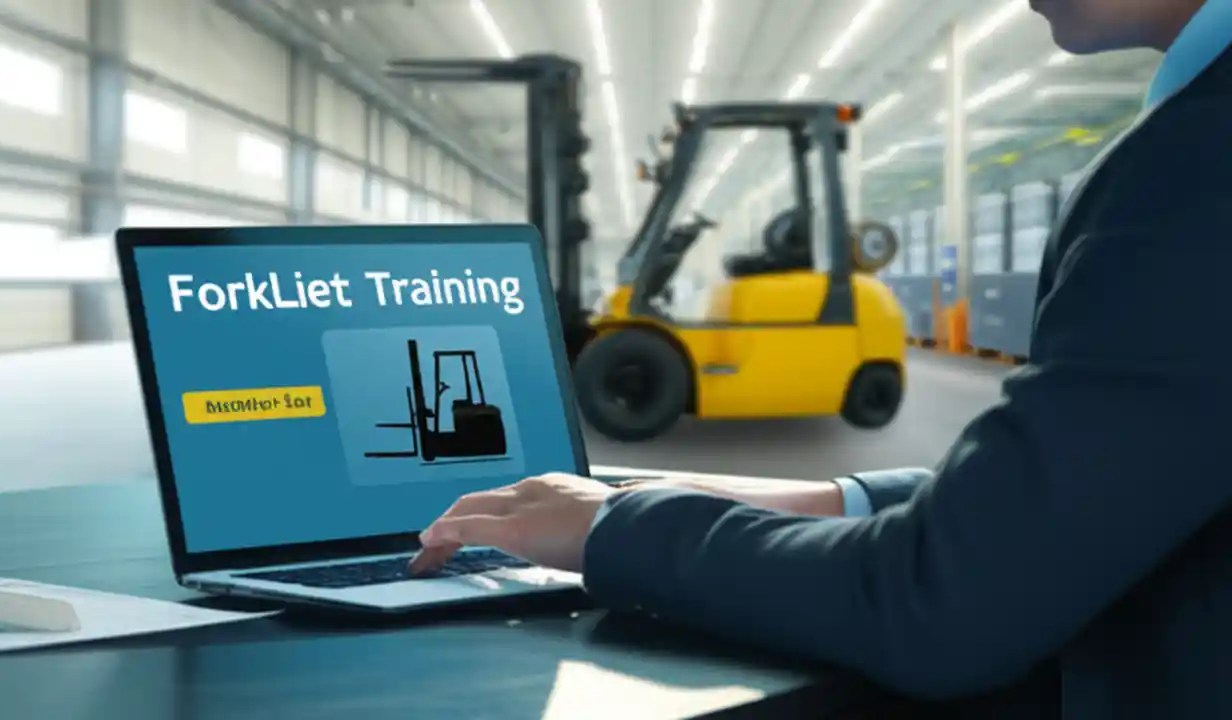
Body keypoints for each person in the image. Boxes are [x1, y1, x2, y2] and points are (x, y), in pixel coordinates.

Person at [411, 0, 1232, 716]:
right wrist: (801, 499)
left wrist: (614, 531)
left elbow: (942, 606)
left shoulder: (1198, 159)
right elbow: (1090, 496)